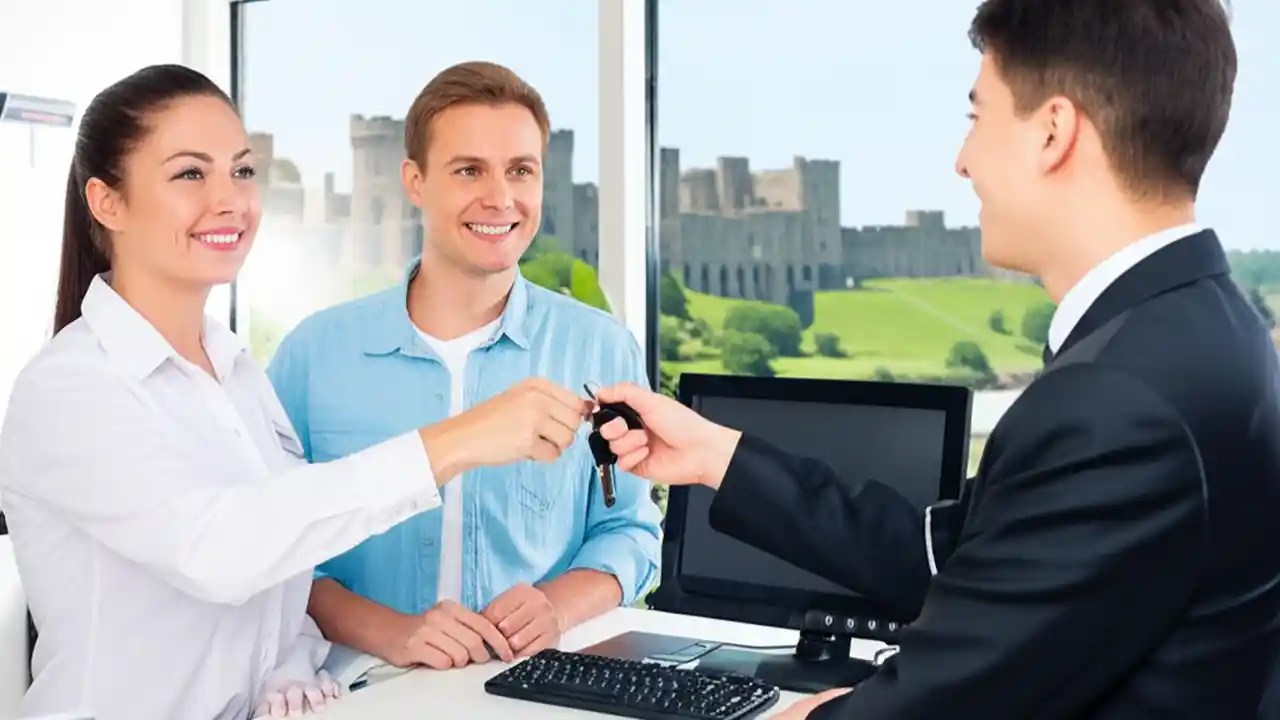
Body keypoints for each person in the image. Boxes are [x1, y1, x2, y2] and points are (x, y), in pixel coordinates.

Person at [595, 0, 1280, 717]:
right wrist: (719, 459)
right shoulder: (1208, 327)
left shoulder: (1119, 398)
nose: (962, 161)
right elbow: (954, 558)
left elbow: (953, 698)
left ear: (1053, 131)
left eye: (977, 117)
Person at [0, 64, 589, 720]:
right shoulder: (69, 390)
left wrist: (294, 663)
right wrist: (456, 442)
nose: (230, 200)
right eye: (191, 174)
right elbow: (221, 551)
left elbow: (280, 573)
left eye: (242, 171)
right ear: (107, 201)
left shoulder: (238, 377)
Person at [266, 60, 662, 671]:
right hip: (354, 693)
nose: (500, 198)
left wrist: (557, 606)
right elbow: (274, 548)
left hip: (535, 693)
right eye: (469, 170)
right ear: (415, 181)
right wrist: (392, 634)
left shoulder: (600, 349)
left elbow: (631, 531)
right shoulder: (313, 355)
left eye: (520, 171)